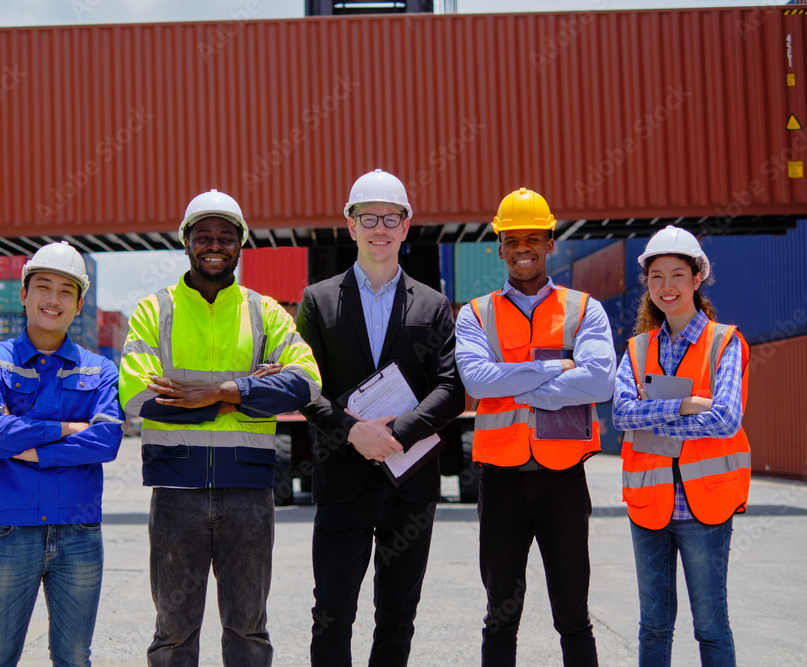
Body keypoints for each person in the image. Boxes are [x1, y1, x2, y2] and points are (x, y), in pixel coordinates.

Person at [118, 189, 321, 666]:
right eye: (204, 236)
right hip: (176, 492)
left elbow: (306, 384)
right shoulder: (154, 311)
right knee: (173, 632)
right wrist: (252, 389)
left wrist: (218, 392)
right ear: (186, 241)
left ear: (240, 243)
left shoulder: (265, 312)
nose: (215, 245)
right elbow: (138, 397)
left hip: (249, 493)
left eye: (226, 237)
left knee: (249, 629)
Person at [296, 168, 464, 666]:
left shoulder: (433, 305)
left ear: (406, 225)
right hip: (343, 481)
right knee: (332, 613)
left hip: (410, 482)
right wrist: (354, 433)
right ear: (351, 225)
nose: (380, 229)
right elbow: (303, 386)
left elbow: (451, 389)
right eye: (368, 218)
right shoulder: (318, 301)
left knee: (397, 616)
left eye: (391, 218)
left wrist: (396, 434)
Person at [454, 188, 616, 667]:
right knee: (499, 617)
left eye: (532, 238)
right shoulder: (476, 314)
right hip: (499, 482)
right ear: (499, 247)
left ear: (550, 243)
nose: (521, 248)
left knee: (574, 616)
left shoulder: (584, 309)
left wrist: (513, 381)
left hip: (563, 479)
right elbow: (477, 382)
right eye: (511, 239)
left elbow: (601, 382)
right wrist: (557, 369)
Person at [0, 241, 124, 667]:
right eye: (43, 287)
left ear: (79, 305)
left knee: (73, 657)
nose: (53, 299)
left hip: (79, 533)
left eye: (66, 291)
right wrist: (67, 428)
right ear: (24, 293)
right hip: (10, 530)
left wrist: (29, 449)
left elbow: (106, 441)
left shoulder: (100, 369)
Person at [612, 225, 750, 666]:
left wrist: (653, 414)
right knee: (653, 627)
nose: (666, 286)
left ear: (697, 279)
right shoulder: (637, 349)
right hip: (649, 505)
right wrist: (686, 405)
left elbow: (725, 419)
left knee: (710, 627)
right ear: (646, 283)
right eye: (656, 276)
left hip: (704, 507)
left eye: (676, 275)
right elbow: (621, 415)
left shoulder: (724, 342)